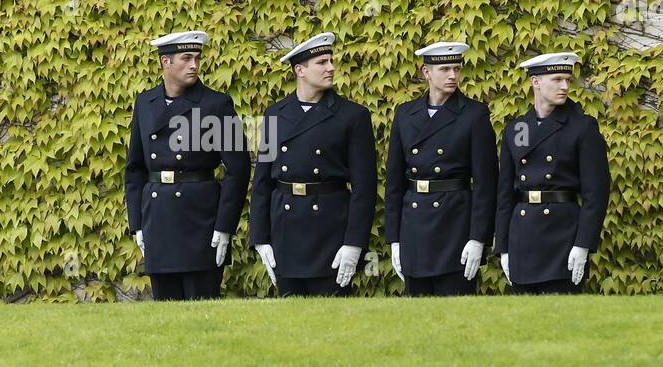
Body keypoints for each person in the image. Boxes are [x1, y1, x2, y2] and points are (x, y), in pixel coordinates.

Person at [124, 31, 250, 300]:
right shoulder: (145, 103)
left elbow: (238, 170)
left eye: (197, 58)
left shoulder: (215, 104)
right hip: (157, 218)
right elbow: (135, 168)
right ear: (165, 62)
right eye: (186, 58)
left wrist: (224, 226)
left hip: (200, 222)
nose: (194, 65)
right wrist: (137, 223)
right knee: (165, 313)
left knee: (201, 308)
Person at [248, 32, 376, 297]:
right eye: (322, 62)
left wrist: (354, 244)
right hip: (285, 232)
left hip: (330, 234)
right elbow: (262, 182)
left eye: (331, 61)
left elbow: (364, 189)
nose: (331, 68)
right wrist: (261, 239)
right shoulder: (276, 113)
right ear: (300, 70)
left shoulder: (352, 116)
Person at [384, 41, 497, 296]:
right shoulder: (405, 114)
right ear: (426, 72)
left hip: (455, 227)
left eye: (456, 69)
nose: (452, 76)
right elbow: (394, 183)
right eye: (445, 69)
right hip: (414, 228)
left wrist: (478, 238)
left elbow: (485, 184)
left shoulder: (474, 114)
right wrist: (394, 239)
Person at [495, 52, 610, 294]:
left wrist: (583, 244)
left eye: (568, 79)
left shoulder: (582, 127)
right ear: (536, 82)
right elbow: (505, 192)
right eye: (557, 79)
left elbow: (595, 194)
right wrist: (503, 247)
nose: (565, 86)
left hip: (562, 238)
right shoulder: (519, 128)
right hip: (523, 238)